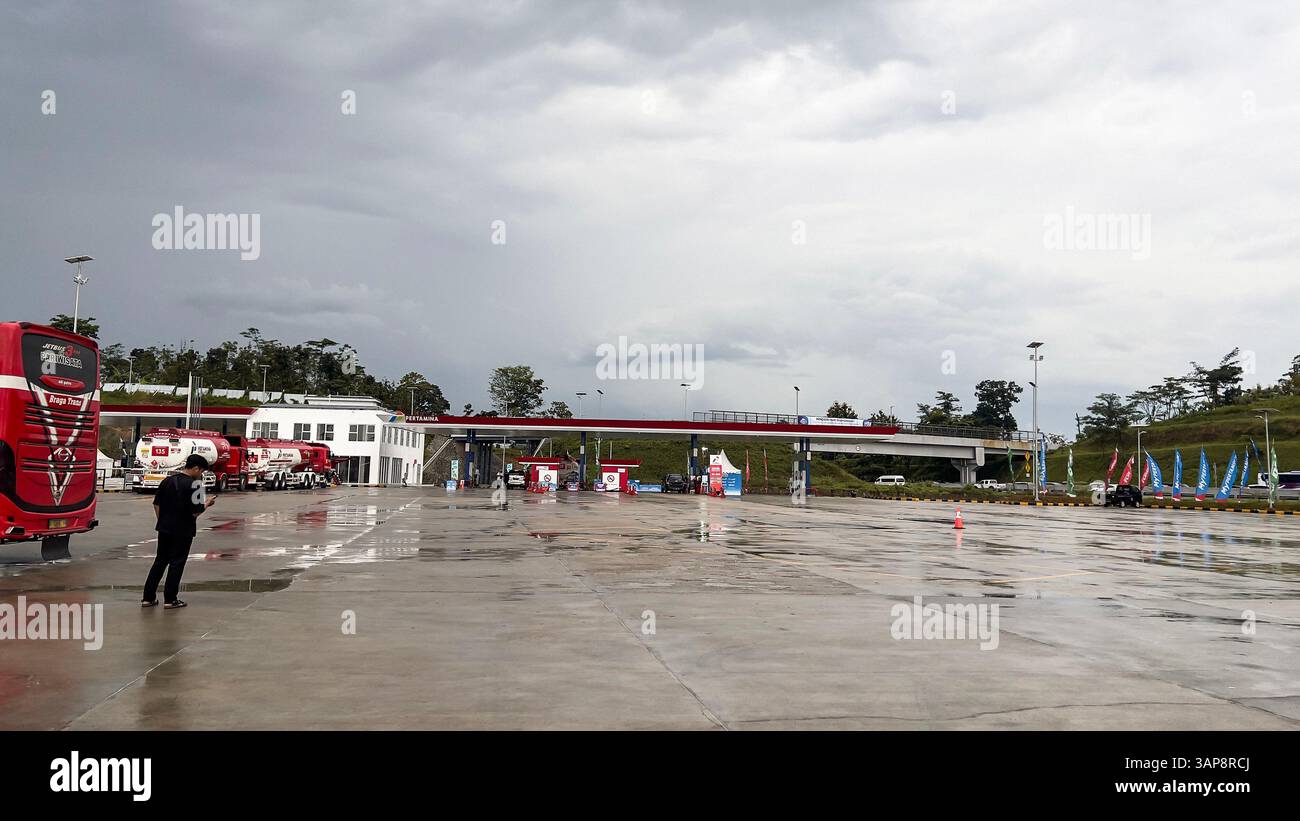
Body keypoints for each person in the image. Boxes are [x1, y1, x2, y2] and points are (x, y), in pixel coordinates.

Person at [142, 454, 215, 609]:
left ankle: (148, 598)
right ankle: (170, 599)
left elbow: (156, 504)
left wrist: (162, 521)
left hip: (164, 528)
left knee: (160, 561)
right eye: (201, 471)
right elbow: (196, 512)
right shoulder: (197, 485)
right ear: (196, 468)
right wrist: (207, 503)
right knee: (177, 563)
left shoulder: (167, 481)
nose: (201, 475)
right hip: (183, 530)